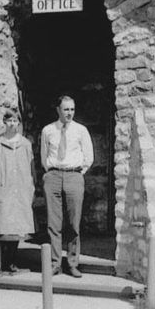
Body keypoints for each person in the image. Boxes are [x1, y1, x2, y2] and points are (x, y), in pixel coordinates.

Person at [40, 95, 93, 277]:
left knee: (73, 222)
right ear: (58, 110)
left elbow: (89, 156)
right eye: (66, 109)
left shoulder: (81, 130)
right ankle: (55, 263)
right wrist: (50, 173)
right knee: (53, 223)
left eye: (72, 109)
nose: (69, 113)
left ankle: (72, 263)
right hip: (53, 176)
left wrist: (78, 173)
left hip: (74, 176)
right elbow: (44, 155)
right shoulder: (48, 130)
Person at [0, 109, 35, 277]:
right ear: (4, 122)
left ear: (18, 123)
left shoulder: (25, 144)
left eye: (15, 121)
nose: (12, 124)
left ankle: (12, 263)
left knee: (16, 229)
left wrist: (30, 189)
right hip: (3, 188)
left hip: (20, 190)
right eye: (9, 121)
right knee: (0, 229)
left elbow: (31, 169)